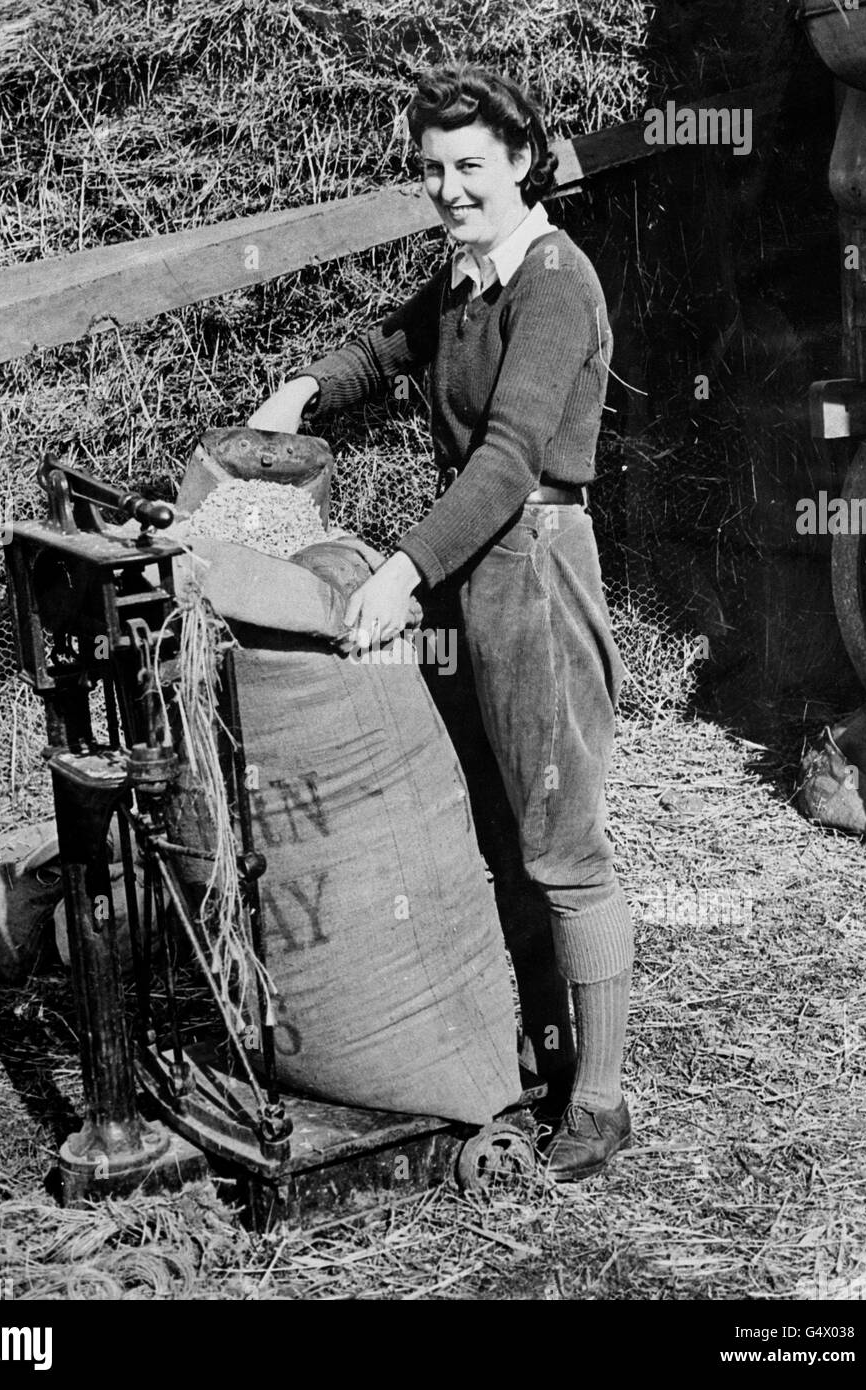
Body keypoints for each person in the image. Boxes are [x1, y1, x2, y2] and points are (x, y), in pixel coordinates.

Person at [247, 65, 633, 1181]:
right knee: (493, 827)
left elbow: (510, 454)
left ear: (520, 162)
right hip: (475, 569)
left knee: (561, 841)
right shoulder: (466, 279)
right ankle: (533, 1051)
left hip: (535, 569)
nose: (449, 189)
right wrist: (304, 392)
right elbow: (385, 349)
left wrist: (404, 572)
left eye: (469, 166)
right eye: (430, 170)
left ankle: (599, 1104)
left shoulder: (550, 279)